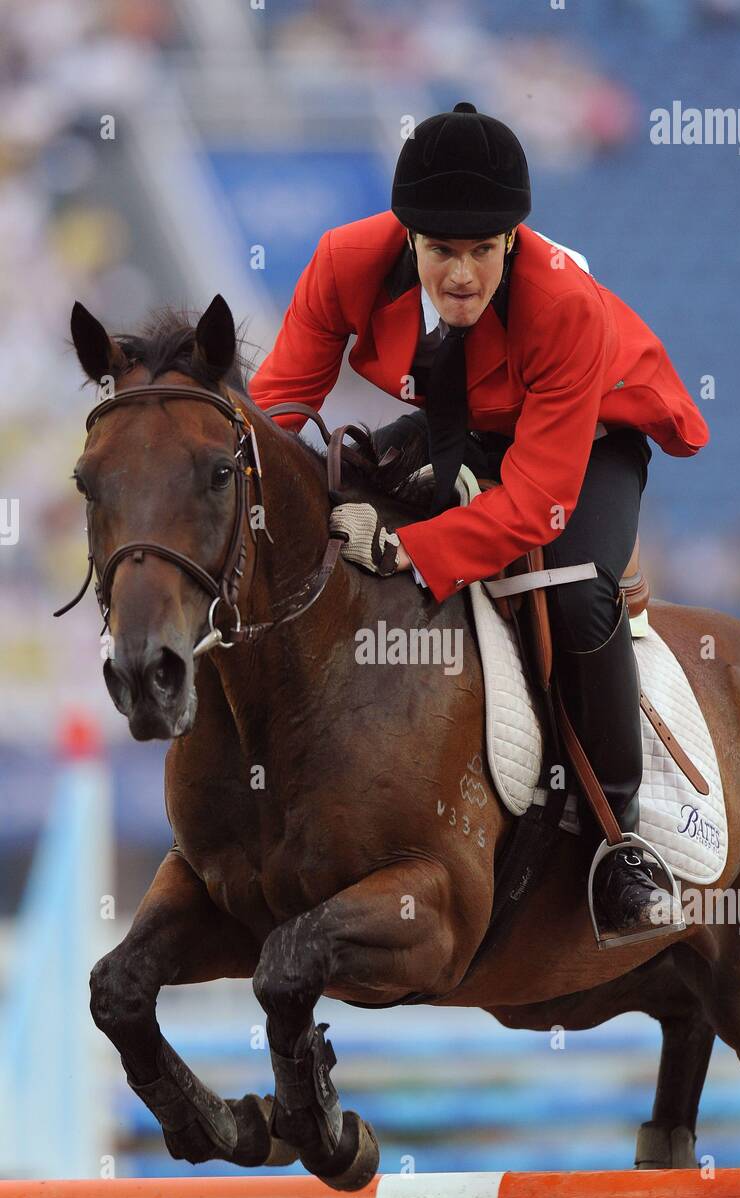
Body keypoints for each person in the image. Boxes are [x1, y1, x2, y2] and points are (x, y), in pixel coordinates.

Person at [248, 101, 709, 941]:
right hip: (462, 420)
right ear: (407, 237)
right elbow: (274, 412)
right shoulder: (344, 261)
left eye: (482, 251)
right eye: (440, 251)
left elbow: (537, 503)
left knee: (576, 591)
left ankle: (622, 840)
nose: (460, 274)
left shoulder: (561, 302)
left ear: (511, 241)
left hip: (587, 436)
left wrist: (403, 546)